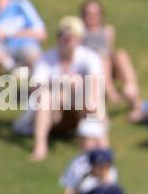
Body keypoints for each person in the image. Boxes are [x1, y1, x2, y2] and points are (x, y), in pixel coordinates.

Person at [15, 16, 105, 161]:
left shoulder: (90, 58)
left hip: (80, 110)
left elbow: (95, 91)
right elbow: (34, 88)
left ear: (79, 39)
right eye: (62, 36)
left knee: (90, 98)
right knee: (46, 97)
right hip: (53, 113)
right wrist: (62, 86)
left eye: (70, 38)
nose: (66, 41)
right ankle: (40, 146)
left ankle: (100, 143)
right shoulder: (47, 58)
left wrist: (74, 87)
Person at [79, 0, 140, 109]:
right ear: (83, 16)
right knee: (102, 59)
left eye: (96, 14)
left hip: (107, 64)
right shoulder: (80, 31)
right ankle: (111, 94)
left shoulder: (108, 30)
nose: (92, 17)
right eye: (89, 14)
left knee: (121, 54)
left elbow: (109, 49)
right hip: (90, 69)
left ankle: (131, 90)